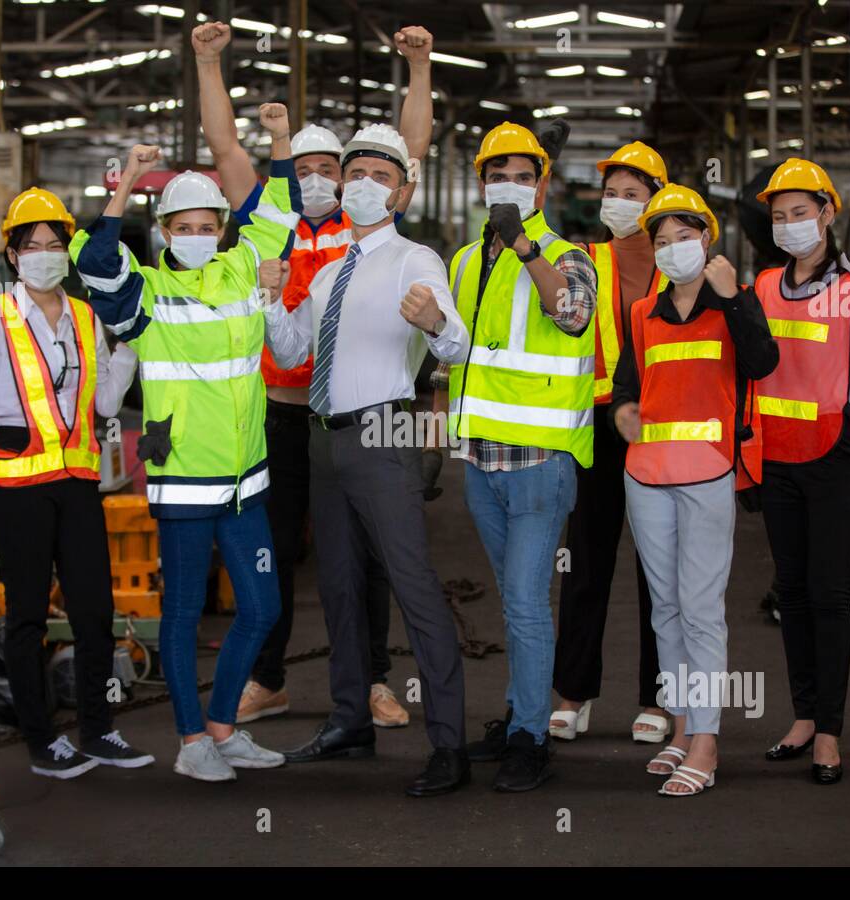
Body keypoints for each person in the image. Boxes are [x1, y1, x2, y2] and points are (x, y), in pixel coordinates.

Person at [190, 20, 434, 729]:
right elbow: (223, 147)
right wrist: (209, 63)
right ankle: (269, 679)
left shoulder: (365, 225)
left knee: (371, 550)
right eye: (307, 167)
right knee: (274, 549)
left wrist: (419, 70)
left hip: (358, 416)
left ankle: (377, 680)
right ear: (287, 173)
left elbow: (410, 148)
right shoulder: (269, 219)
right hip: (277, 412)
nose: (322, 179)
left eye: (335, 167)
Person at [68, 101, 300, 784]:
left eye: (207, 226)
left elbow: (279, 211)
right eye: (183, 226)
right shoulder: (144, 294)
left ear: (222, 229)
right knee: (184, 613)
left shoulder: (240, 273)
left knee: (262, 606)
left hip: (245, 482)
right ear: (164, 230)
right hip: (182, 483)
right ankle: (191, 737)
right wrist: (128, 182)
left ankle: (224, 725)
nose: (197, 235)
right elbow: (94, 260)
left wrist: (280, 138)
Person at [261, 123, 472, 798]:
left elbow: (456, 346)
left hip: (384, 432)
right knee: (340, 588)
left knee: (412, 584)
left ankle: (449, 745)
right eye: (354, 175)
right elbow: (293, 353)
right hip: (324, 436)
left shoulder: (415, 260)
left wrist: (436, 324)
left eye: (380, 176)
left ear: (403, 190)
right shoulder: (324, 272)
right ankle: (350, 720)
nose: (361, 185)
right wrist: (270, 297)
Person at [0, 188, 151, 779]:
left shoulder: (83, 314)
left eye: (55, 245)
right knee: (26, 616)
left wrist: (124, 351)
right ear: (14, 257)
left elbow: (102, 402)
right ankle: (41, 740)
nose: (46, 255)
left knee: (95, 610)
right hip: (18, 490)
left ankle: (99, 730)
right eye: (33, 246)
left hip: (76, 485)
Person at [609, 184, 777, 796]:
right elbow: (628, 385)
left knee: (703, 610)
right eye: (662, 240)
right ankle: (682, 726)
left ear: (707, 241)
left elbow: (762, 364)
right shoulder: (641, 314)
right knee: (666, 609)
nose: (674, 248)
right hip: (647, 476)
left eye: (685, 237)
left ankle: (706, 739)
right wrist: (624, 413)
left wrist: (734, 300)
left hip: (708, 475)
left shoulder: (733, 302)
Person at [446, 121, 596, 792]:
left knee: (528, 605)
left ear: (543, 185)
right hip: (481, 458)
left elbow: (571, 316)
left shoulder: (569, 255)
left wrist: (528, 246)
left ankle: (533, 735)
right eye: (498, 174)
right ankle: (517, 717)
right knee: (514, 600)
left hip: (539, 462)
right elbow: (459, 350)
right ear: (482, 184)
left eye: (523, 175)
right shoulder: (464, 261)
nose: (509, 184)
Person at [752, 159, 850, 784]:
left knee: (826, 592)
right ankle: (803, 717)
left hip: (830, 453)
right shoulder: (764, 286)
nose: (789, 225)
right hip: (776, 455)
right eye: (779, 215)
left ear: (826, 215)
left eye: (800, 213)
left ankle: (830, 732)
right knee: (790, 594)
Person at [550, 141, 673, 745]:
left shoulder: (681, 263)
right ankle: (574, 694)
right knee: (586, 564)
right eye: (613, 193)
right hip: (598, 427)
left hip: (660, 431)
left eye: (633, 194)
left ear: (657, 203)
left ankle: (659, 698)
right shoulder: (582, 257)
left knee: (660, 571)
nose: (618, 203)